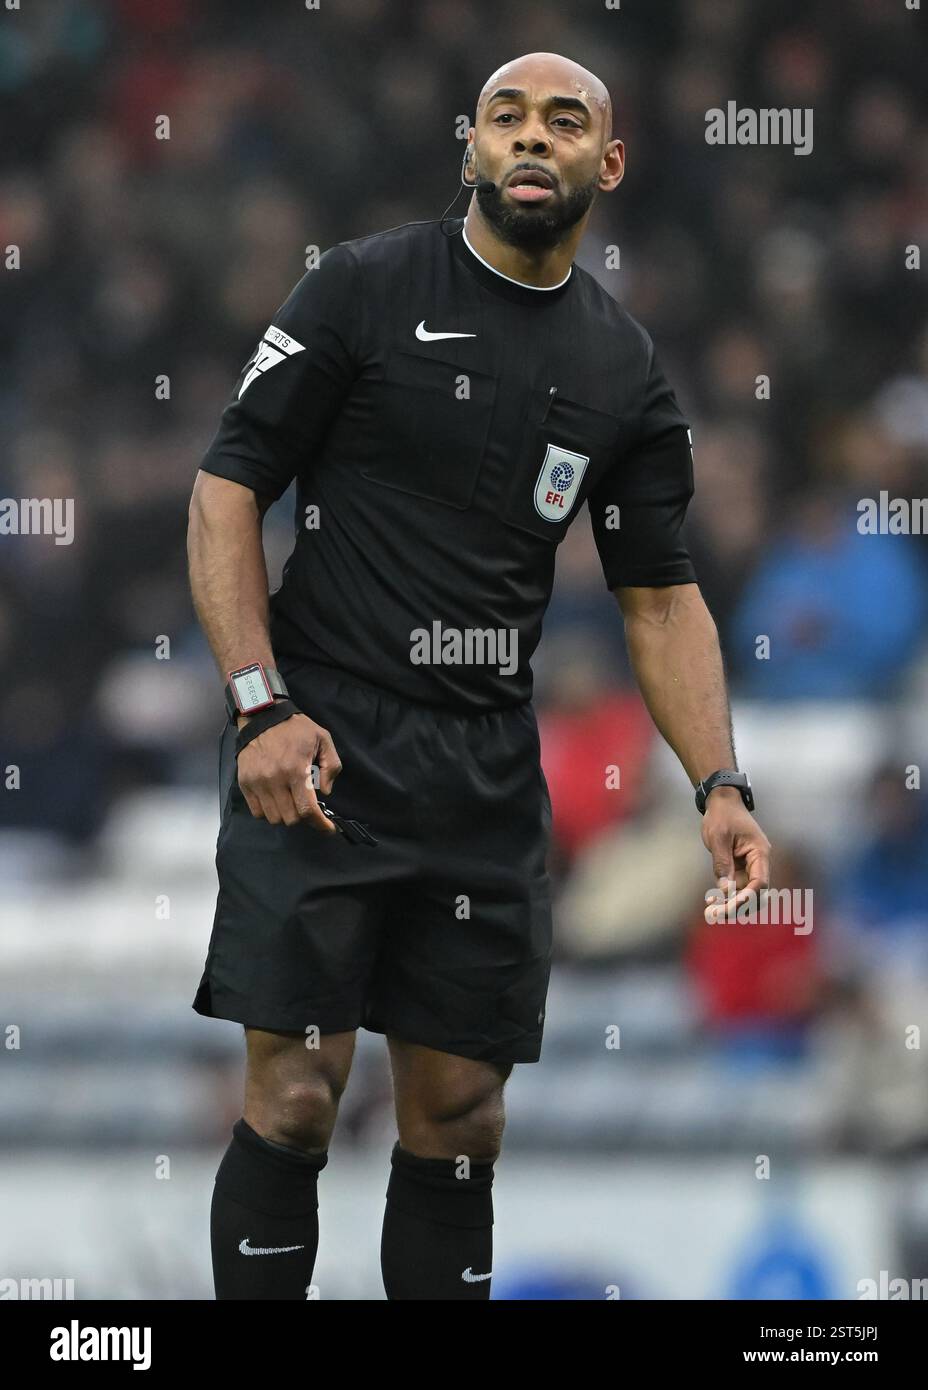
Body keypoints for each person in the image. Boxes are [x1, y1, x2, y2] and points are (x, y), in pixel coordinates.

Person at [186, 50, 770, 1301]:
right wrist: (259, 703)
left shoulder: (624, 372)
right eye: (505, 117)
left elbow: (660, 600)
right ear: (469, 147)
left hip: (482, 763)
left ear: (605, 165)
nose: (529, 139)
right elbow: (229, 487)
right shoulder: (359, 287)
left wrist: (720, 782)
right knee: (295, 1090)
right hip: (321, 733)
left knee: (458, 1118)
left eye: (564, 123)